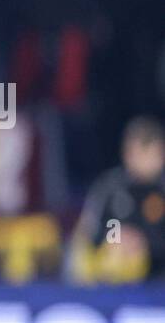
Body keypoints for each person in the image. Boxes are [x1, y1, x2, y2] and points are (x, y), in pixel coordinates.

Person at [71, 115, 165, 283]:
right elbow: (93, 231)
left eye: (150, 153)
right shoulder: (111, 187)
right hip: (115, 281)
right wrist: (117, 237)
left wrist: (144, 242)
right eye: (135, 152)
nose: (143, 160)